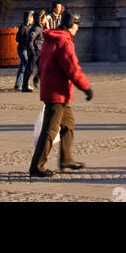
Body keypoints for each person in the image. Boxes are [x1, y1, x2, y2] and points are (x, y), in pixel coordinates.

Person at [28, 10, 93, 178]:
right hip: (57, 93)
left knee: (68, 124)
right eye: (77, 25)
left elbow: (42, 63)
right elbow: (72, 68)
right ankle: (37, 167)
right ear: (72, 25)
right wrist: (86, 87)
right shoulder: (64, 42)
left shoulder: (51, 39)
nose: (78, 29)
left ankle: (66, 159)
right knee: (50, 130)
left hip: (56, 91)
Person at [24, 9, 48, 91]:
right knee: (30, 69)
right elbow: (30, 40)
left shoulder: (41, 27)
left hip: (40, 51)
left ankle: (36, 80)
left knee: (42, 68)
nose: (46, 19)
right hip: (35, 52)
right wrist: (32, 51)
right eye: (45, 18)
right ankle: (24, 86)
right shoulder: (36, 28)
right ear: (41, 18)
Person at [14, 10, 34, 92]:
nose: (33, 19)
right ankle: (22, 84)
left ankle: (19, 84)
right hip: (22, 49)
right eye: (32, 17)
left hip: (27, 50)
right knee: (25, 66)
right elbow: (18, 39)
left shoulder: (29, 27)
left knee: (23, 67)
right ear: (29, 18)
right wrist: (27, 39)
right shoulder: (23, 27)